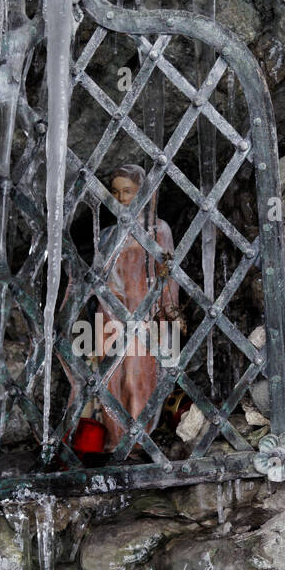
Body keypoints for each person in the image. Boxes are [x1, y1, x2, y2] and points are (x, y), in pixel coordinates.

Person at [68, 164, 182, 452]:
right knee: (111, 378)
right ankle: (116, 439)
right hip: (109, 314)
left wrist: (170, 309)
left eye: (127, 191)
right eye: (116, 192)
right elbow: (96, 277)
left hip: (142, 313)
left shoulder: (159, 229)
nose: (121, 198)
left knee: (138, 377)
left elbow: (167, 273)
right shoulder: (107, 234)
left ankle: (140, 437)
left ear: (142, 192)